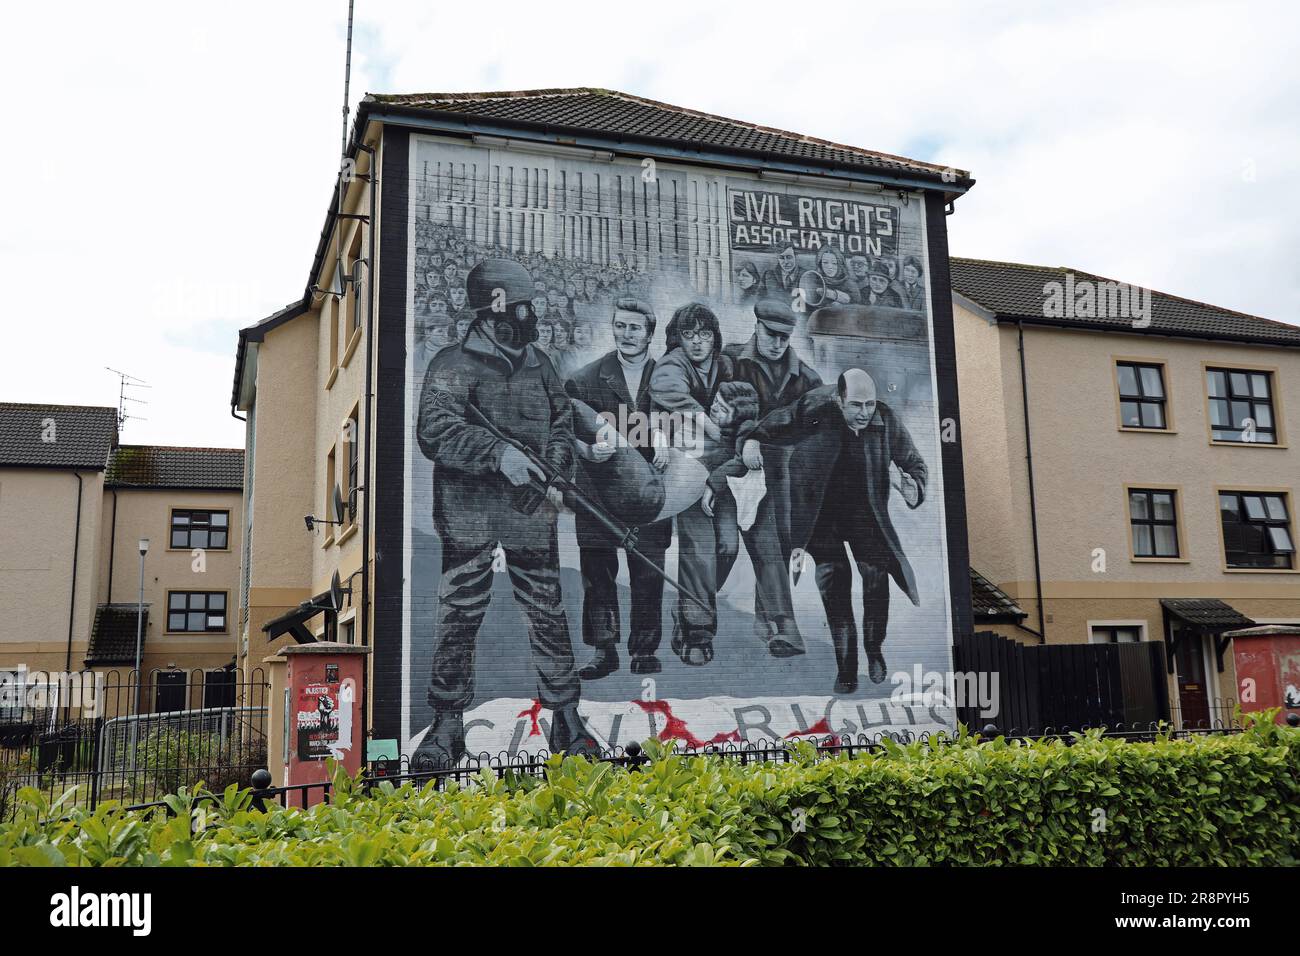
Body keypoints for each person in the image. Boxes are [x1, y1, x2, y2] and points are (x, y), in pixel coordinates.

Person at [413, 258, 598, 765]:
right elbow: (435, 430)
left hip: (530, 511)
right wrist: (499, 455)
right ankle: (446, 723)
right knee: (459, 612)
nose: (531, 313)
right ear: (497, 310)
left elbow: (561, 420)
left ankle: (567, 718)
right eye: (523, 306)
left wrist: (556, 470)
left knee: (547, 611)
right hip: (469, 514)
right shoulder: (452, 363)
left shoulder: (539, 362)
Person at [745, 368, 927, 694]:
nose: (864, 413)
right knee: (835, 582)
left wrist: (914, 485)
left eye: (869, 404)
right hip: (820, 515)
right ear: (839, 399)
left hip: (864, 515)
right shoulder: (815, 408)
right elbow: (778, 421)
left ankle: (874, 649)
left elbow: (912, 460)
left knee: (875, 576)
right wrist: (752, 440)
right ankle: (846, 669)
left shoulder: (883, 420)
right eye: (856, 405)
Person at [564, 299, 672, 679]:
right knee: (598, 573)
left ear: (649, 334)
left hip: (650, 495)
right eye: (620, 326)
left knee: (648, 572)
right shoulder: (585, 380)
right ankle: (603, 650)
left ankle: (644, 650)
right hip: (597, 492)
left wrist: (667, 442)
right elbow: (563, 434)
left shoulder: (668, 380)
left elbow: (691, 431)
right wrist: (588, 450)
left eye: (634, 328)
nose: (626, 334)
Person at [724, 300, 822, 656]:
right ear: (757, 327)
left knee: (778, 546)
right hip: (740, 470)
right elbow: (715, 407)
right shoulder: (731, 362)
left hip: (786, 478)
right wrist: (744, 439)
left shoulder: (806, 377)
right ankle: (786, 627)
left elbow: (819, 425)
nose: (778, 343)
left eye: (785, 336)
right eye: (771, 334)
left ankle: (766, 620)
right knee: (766, 545)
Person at [649, 302, 734, 665]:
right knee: (699, 548)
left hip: (728, 469)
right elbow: (669, 392)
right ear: (678, 339)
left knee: (727, 547)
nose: (697, 342)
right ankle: (698, 631)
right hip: (690, 468)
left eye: (704, 334)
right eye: (689, 334)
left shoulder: (727, 365)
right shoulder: (672, 364)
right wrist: (712, 425)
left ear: (715, 336)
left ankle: (688, 605)